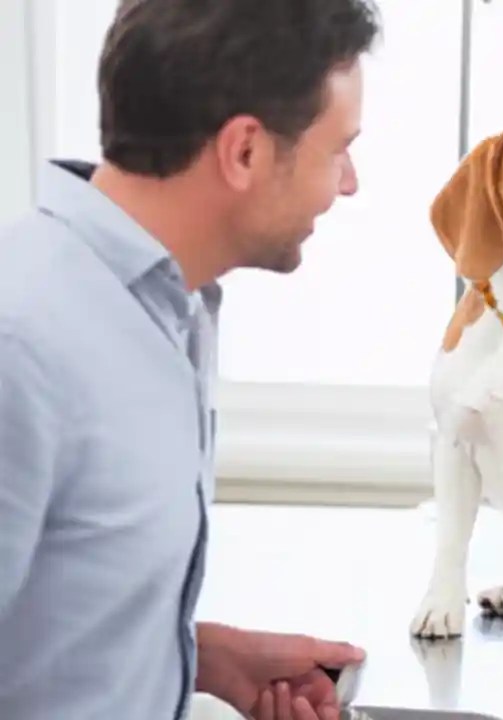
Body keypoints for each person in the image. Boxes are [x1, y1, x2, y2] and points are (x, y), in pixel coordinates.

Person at [0, 1, 381, 718]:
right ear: (244, 152)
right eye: (338, 150)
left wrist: (194, 653)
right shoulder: (22, 341)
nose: (349, 183)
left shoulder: (174, 309)